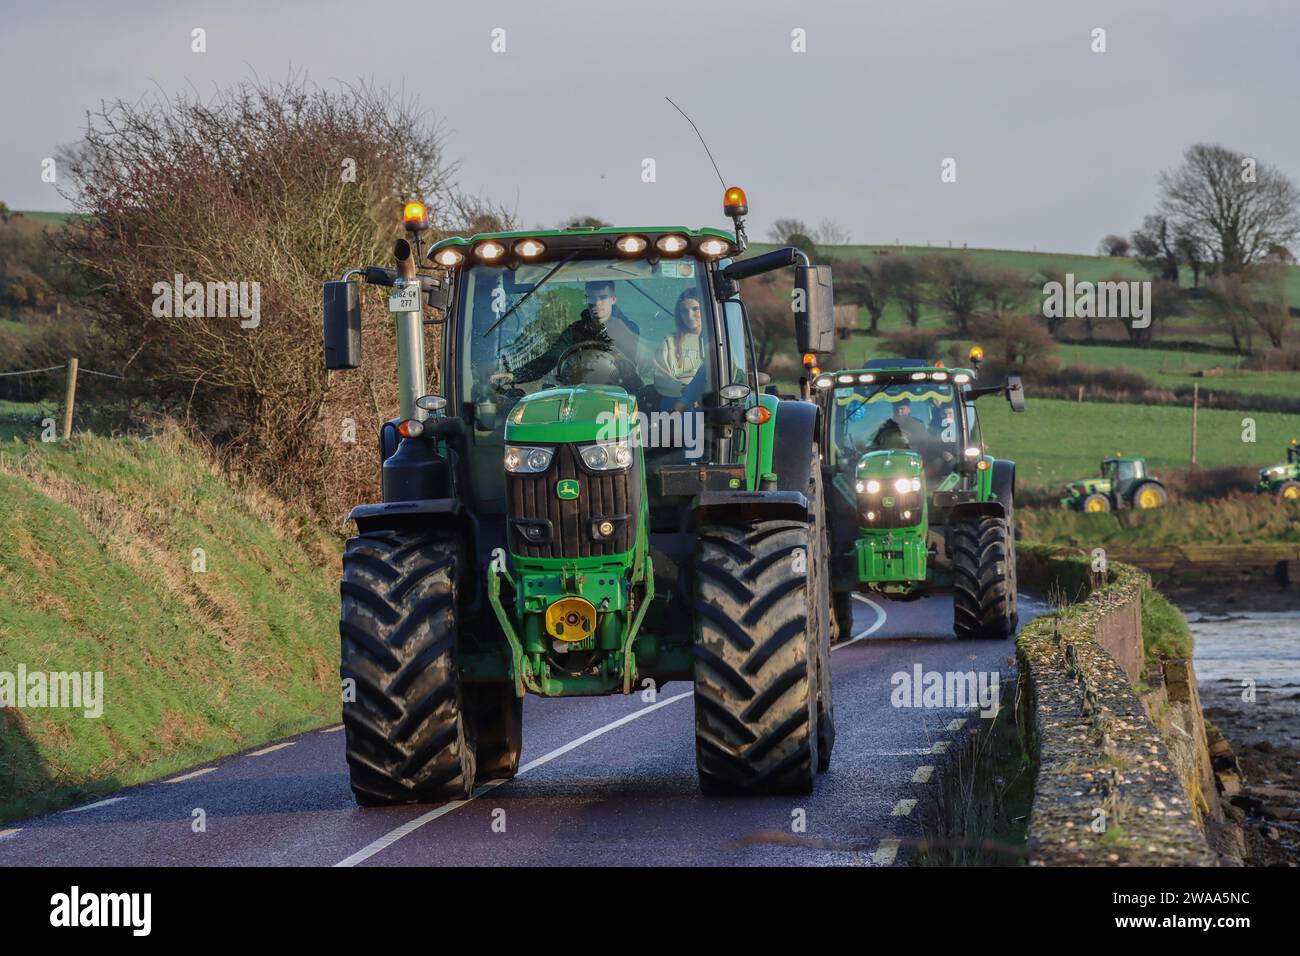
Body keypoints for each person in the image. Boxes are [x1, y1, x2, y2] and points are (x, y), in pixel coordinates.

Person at [492, 280, 643, 390]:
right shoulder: (575, 330)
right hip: (579, 389)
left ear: (613, 299)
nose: (596, 303)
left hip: (619, 389)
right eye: (591, 298)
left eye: (602, 297)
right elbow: (550, 358)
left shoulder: (628, 328)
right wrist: (515, 376)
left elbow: (626, 362)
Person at [653, 290, 705, 400]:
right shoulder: (669, 342)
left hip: (708, 400)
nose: (690, 315)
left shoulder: (717, 340)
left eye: (695, 309)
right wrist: (686, 389)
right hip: (675, 401)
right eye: (684, 311)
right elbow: (660, 377)